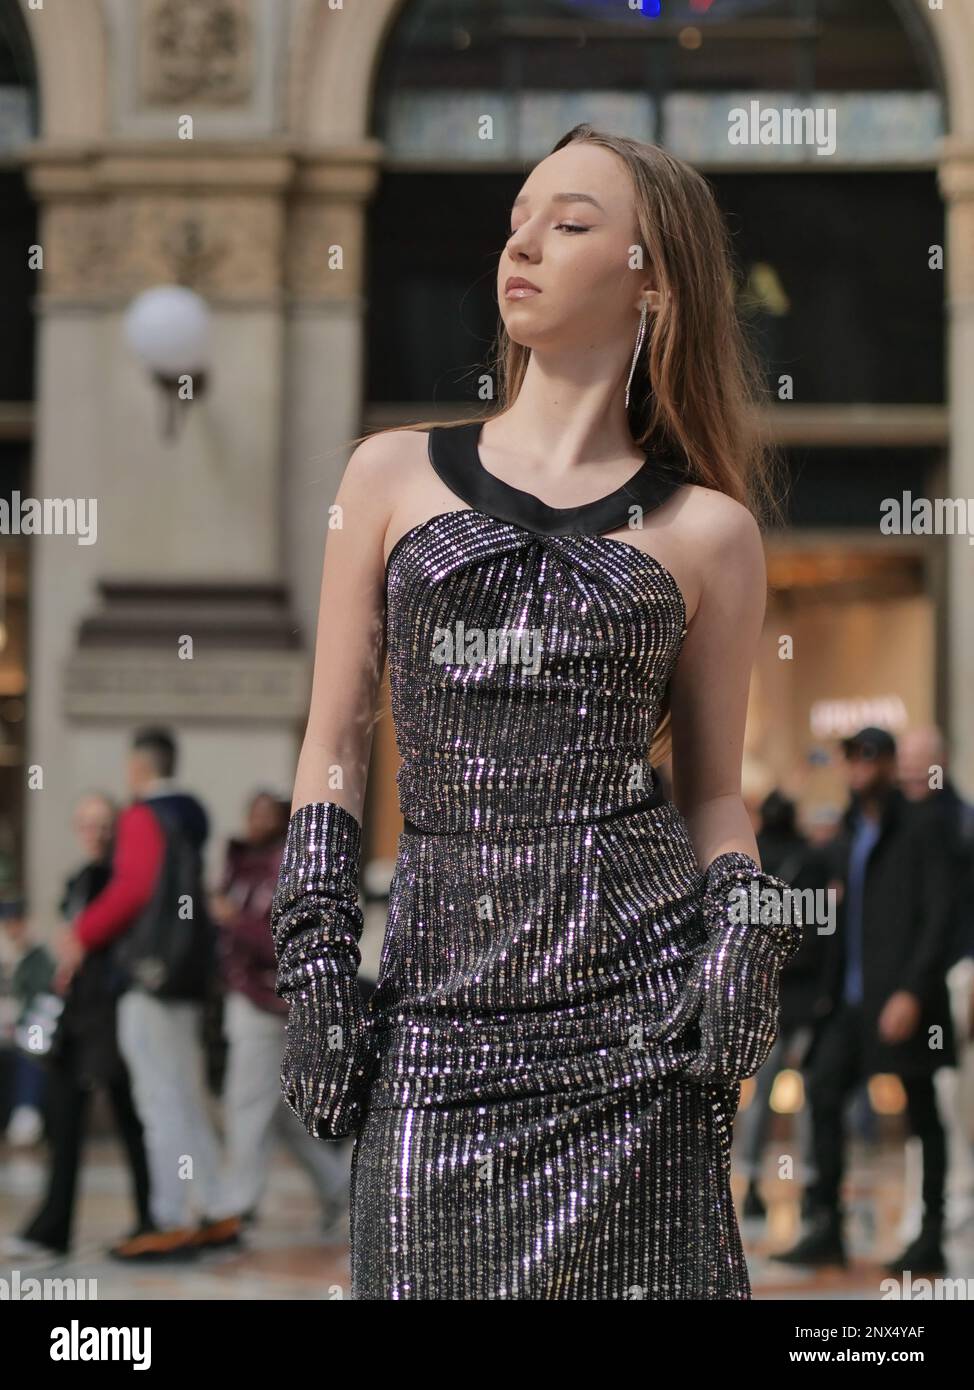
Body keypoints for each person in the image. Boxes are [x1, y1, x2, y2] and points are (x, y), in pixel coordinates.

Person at [269, 124, 804, 1300]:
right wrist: (313, 958)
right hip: (435, 1019)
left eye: (568, 223)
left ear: (649, 277)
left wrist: (742, 939)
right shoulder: (388, 474)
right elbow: (335, 740)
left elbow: (714, 793)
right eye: (517, 217)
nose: (521, 243)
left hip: (635, 1025)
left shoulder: (708, 531)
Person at [771, 727, 958, 1274]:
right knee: (823, 1090)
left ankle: (931, 1234)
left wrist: (912, 991)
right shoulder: (850, 835)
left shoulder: (924, 828)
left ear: (891, 763)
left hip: (903, 1000)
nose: (859, 767)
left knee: (922, 1111)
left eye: (870, 756)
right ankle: (827, 1225)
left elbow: (939, 916)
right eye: (851, 756)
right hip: (851, 1003)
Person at [54, 726, 236, 1261]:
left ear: (137, 768)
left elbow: (133, 887)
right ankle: (217, 1206)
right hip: (184, 978)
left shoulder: (141, 816)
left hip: (148, 978)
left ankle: (169, 1217)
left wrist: (81, 932)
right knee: (184, 1094)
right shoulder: (192, 815)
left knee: (159, 1101)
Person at [5, 795, 151, 1257]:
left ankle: (151, 1216)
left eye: (103, 823)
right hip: (75, 1017)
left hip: (110, 1016)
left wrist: (79, 944)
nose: (95, 832)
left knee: (131, 1117)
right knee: (63, 1113)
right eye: (86, 823)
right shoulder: (79, 880)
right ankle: (53, 1225)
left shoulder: (119, 879)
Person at [208, 790, 353, 1239]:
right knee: (282, 1112)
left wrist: (231, 919)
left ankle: (239, 1205)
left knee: (246, 1104)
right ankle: (336, 1187)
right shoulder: (240, 863)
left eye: (267, 814)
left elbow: (278, 939)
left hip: (267, 1002)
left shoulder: (283, 868)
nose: (256, 821)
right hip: (240, 997)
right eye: (251, 812)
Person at [737, 790, 831, 1221]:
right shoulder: (809, 862)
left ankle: (754, 1181)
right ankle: (810, 1184)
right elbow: (822, 931)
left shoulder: (755, 863)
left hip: (770, 996)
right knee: (807, 1099)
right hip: (804, 998)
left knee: (764, 1099)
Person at [0, 897, 55, 1147]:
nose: (12, 928)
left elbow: (42, 997)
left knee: (34, 1042)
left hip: (30, 1027)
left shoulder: (37, 956)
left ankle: (27, 1112)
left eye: (15, 922)